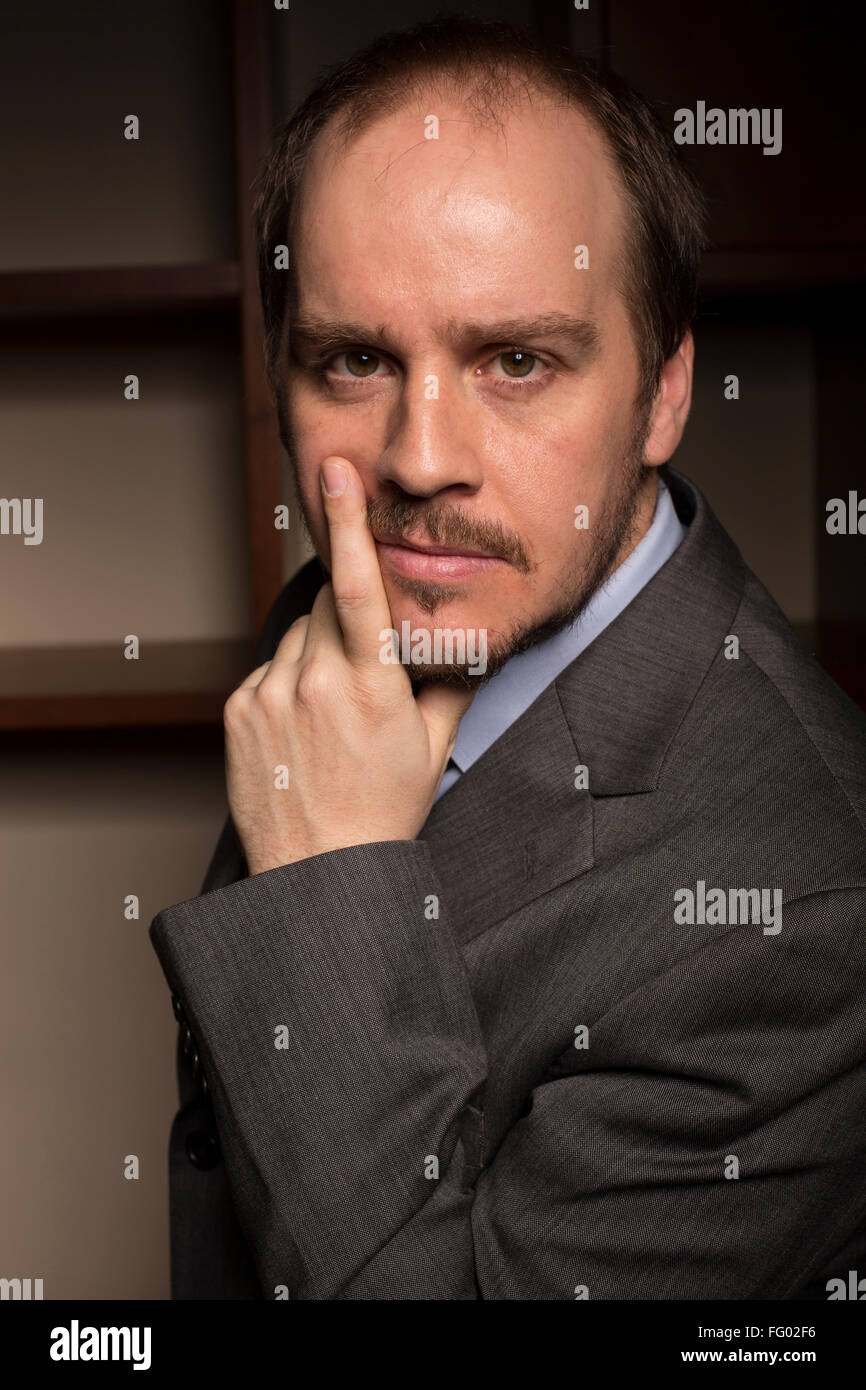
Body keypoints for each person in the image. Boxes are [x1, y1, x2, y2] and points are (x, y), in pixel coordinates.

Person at [149, 17, 866, 1300]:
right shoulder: (369, 609)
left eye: (517, 360)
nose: (419, 461)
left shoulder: (809, 920)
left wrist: (333, 886)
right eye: (355, 359)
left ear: (661, 391)